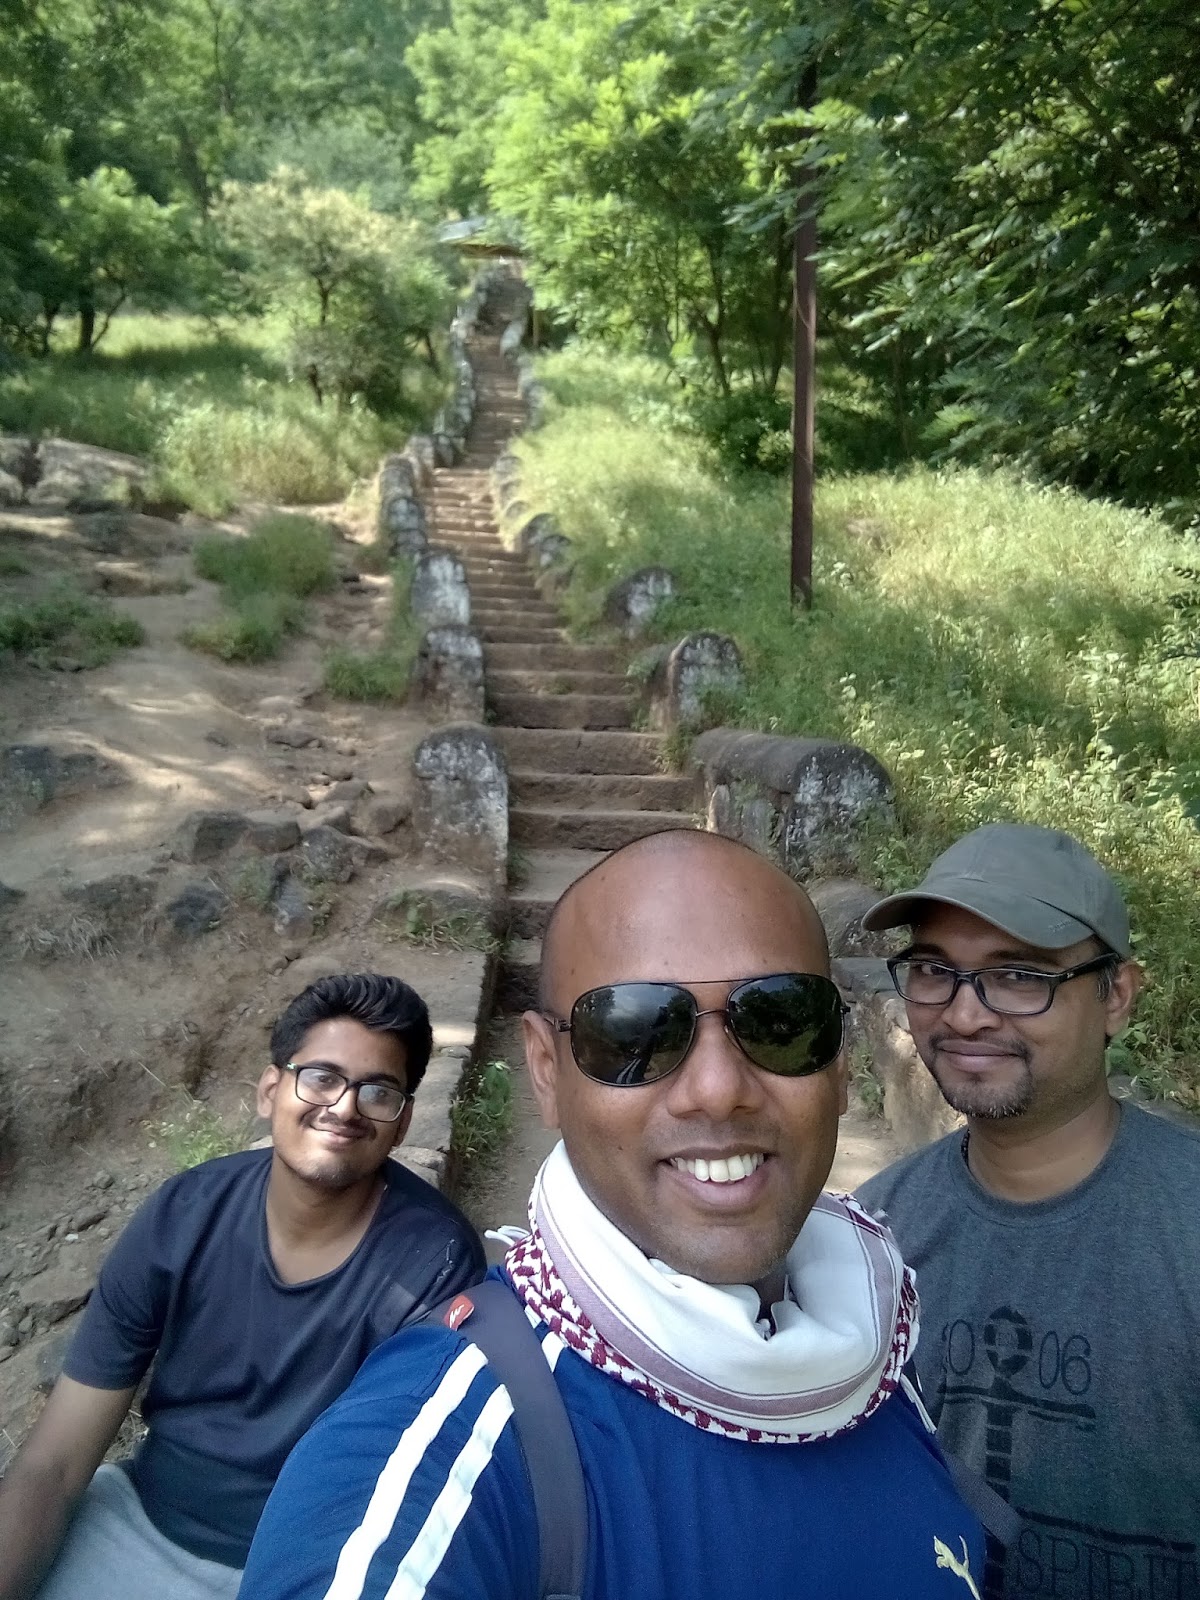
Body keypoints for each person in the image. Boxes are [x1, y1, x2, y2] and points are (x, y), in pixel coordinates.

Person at [240, 830, 985, 1600]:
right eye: (634, 1032)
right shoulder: (450, 1447)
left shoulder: (872, 1338)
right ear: (544, 1070)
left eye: (779, 1020)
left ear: (838, 1059)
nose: (719, 1089)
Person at [0, 972, 486, 1600]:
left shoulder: (436, 1262)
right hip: (141, 1522)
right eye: (321, 1077)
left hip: (312, 1561)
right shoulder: (182, 1217)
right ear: (269, 1090)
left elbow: (404, 1489)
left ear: (402, 1121)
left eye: (378, 1090)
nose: (344, 1106)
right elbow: (55, 1463)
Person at [856, 822, 1200, 1600]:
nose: (966, 1015)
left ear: (1116, 994)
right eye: (934, 969)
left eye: (1019, 975)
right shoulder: (871, 1241)